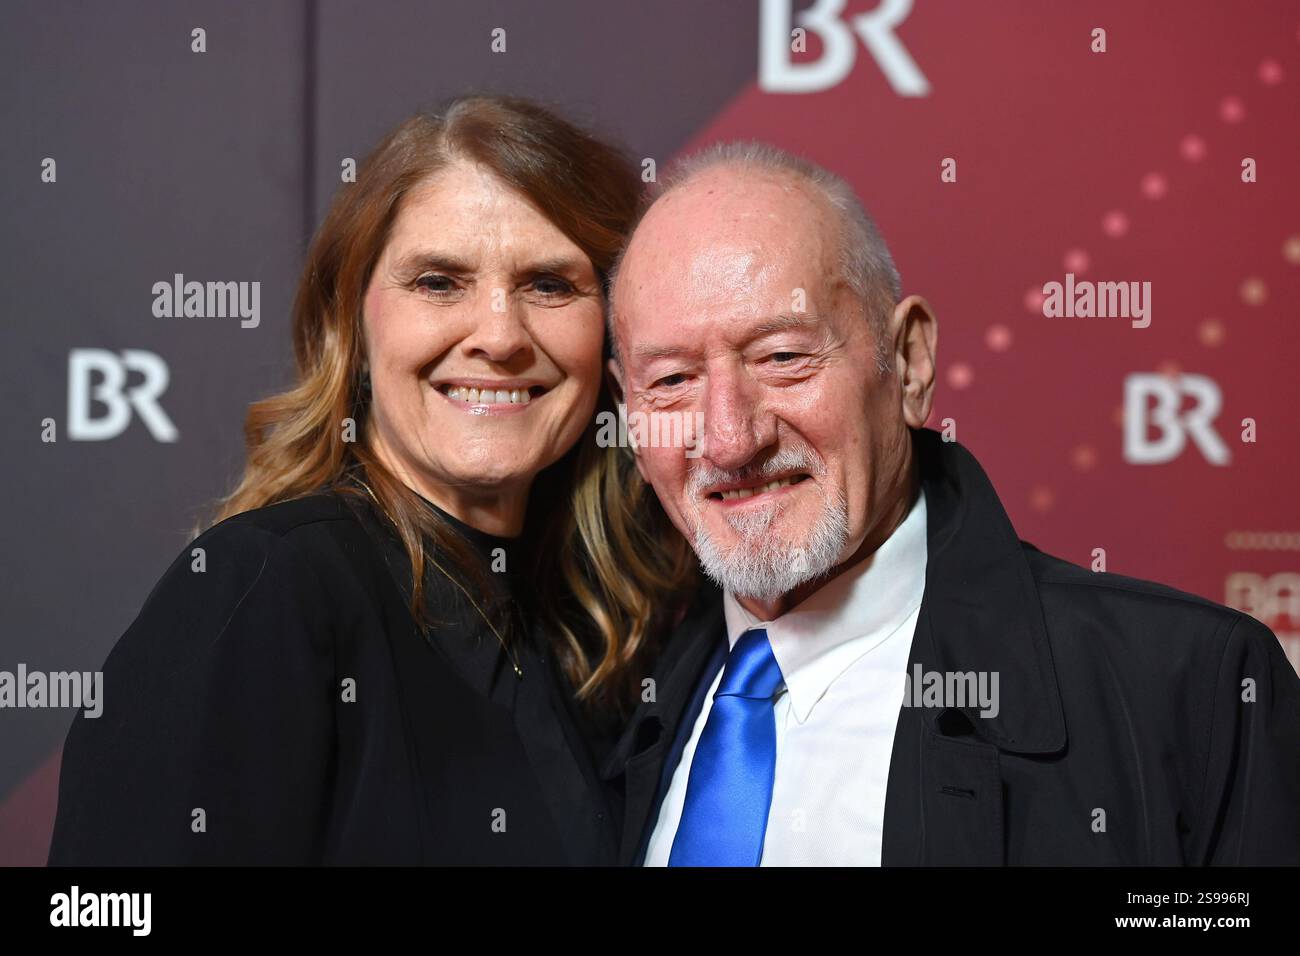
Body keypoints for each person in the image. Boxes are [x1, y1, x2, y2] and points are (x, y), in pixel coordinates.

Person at [600, 141, 1300, 866]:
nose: (729, 437)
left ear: (908, 363)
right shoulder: (599, 717)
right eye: (673, 379)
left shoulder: (1194, 694)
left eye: (782, 358)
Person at [47, 95, 696, 865]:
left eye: (550, 284)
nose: (498, 336)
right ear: (352, 321)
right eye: (438, 281)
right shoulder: (264, 588)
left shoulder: (606, 632)